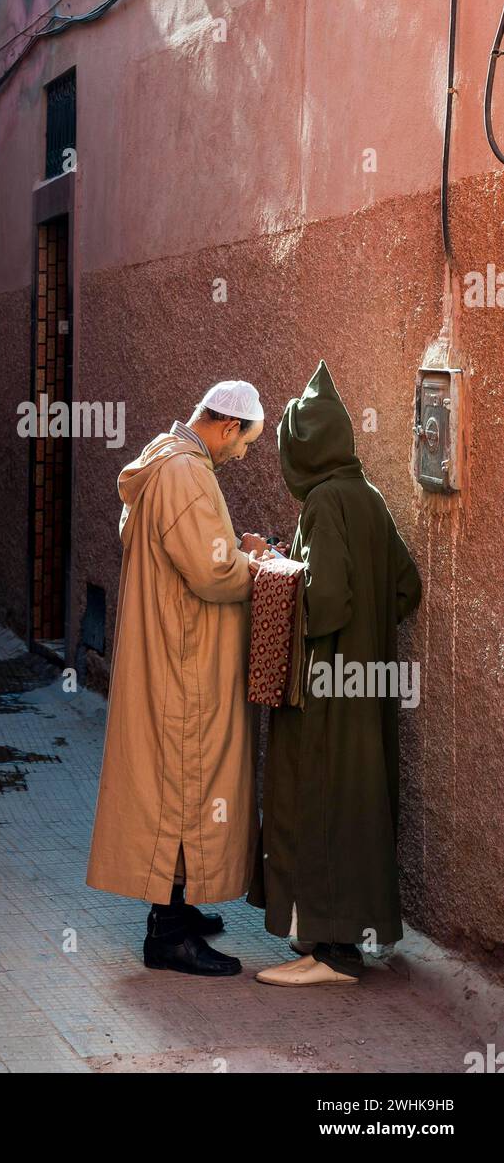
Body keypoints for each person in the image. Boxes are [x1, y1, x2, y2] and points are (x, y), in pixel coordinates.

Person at [87, 380, 271, 976]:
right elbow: (213, 572)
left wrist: (233, 548)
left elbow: (192, 548)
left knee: (174, 784)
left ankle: (179, 913)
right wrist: (257, 564)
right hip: (183, 661)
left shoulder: (161, 461)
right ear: (225, 427)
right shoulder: (188, 473)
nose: (240, 456)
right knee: (186, 786)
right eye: (243, 444)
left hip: (165, 651)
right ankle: (167, 934)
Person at [248, 361, 422, 986]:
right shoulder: (369, 497)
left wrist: (275, 570)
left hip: (325, 690)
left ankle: (328, 954)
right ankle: (347, 942)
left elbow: (325, 606)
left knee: (317, 805)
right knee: (356, 808)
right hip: (365, 693)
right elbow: (407, 588)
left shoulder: (322, 503)